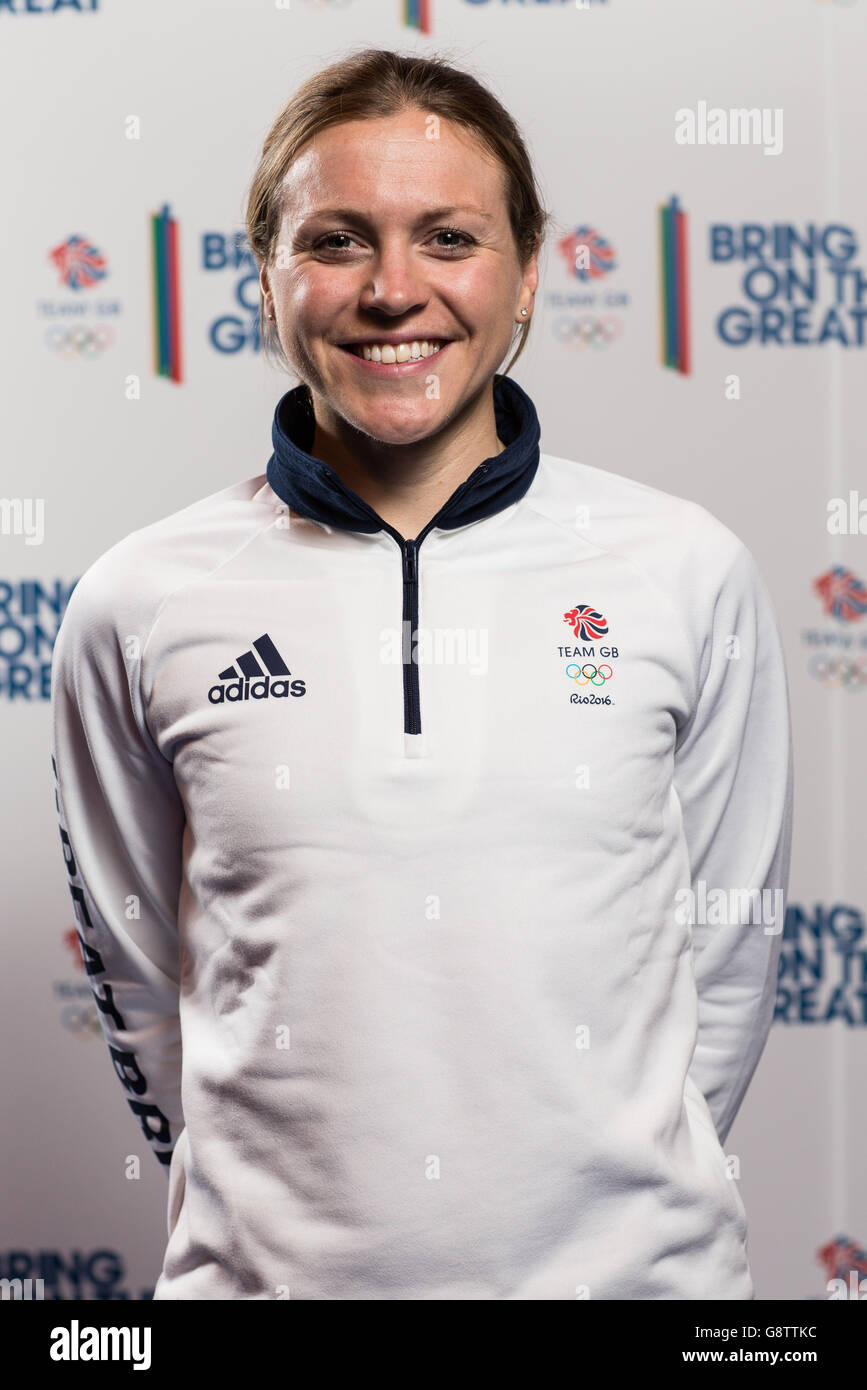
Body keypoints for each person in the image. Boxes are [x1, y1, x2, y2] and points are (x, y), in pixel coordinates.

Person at [49, 47, 793, 1301]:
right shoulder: (139, 599)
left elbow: (726, 964)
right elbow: (140, 982)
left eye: (449, 238)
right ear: (267, 276)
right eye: (337, 241)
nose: (395, 292)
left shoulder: (685, 569)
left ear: (528, 273)